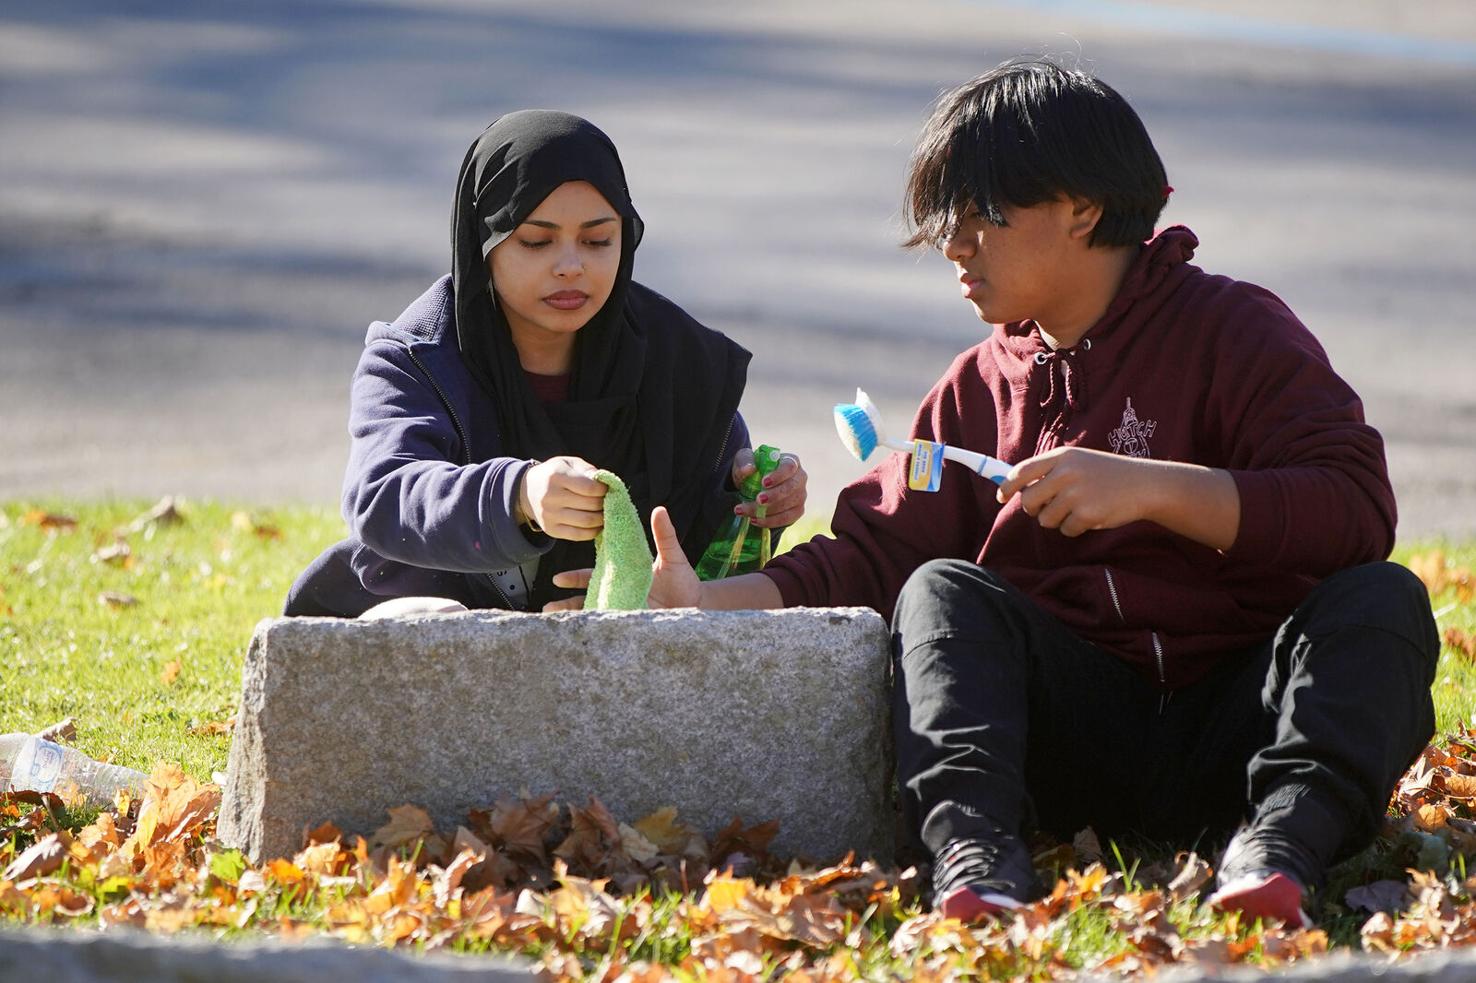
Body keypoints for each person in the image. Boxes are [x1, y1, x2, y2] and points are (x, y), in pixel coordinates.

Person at [553, 61, 1440, 926]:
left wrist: (1150, 489)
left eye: (983, 215)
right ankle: (975, 858)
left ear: (1084, 208)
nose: (954, 246)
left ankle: (1282, 848)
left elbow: (1355, 509)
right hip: (1071, 745)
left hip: (1240, 727)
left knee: (1383, 602)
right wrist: (707, 601)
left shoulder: (1234, 330)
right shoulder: (978, 386)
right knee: (942, 590)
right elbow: (873, 553)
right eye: (949, 220)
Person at [284, 110, 806, 618]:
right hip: (433, 630)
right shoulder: (417, 357)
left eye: (599, 239)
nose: (571, 266)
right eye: (536, 241)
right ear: (482, 243)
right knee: (433, 620)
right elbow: (383, 495)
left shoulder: (683, 362)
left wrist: (758, 502)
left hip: (621, 660)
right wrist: (517, 495)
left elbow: (703, 556)